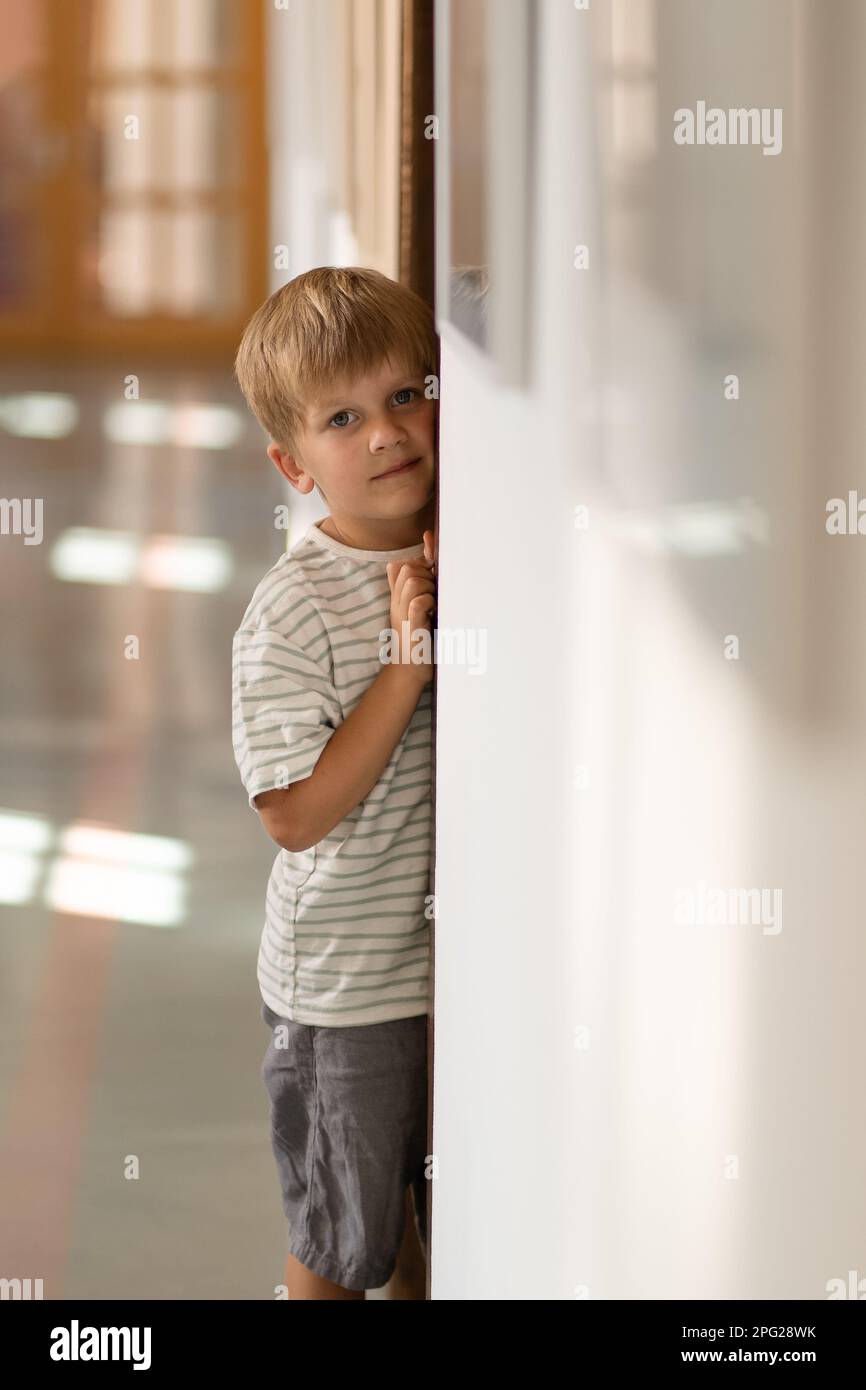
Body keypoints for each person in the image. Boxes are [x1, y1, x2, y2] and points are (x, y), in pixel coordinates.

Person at [231, 266, 438, 1299]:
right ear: (293, 462)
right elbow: (294, 816)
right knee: (337, 1248)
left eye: (406, 396)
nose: (385, 433)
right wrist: (406, 665)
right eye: (343, 417)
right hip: (343, 990)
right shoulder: (295, 609)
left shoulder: (445, 545)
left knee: (399, 1217)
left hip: (422, 964)